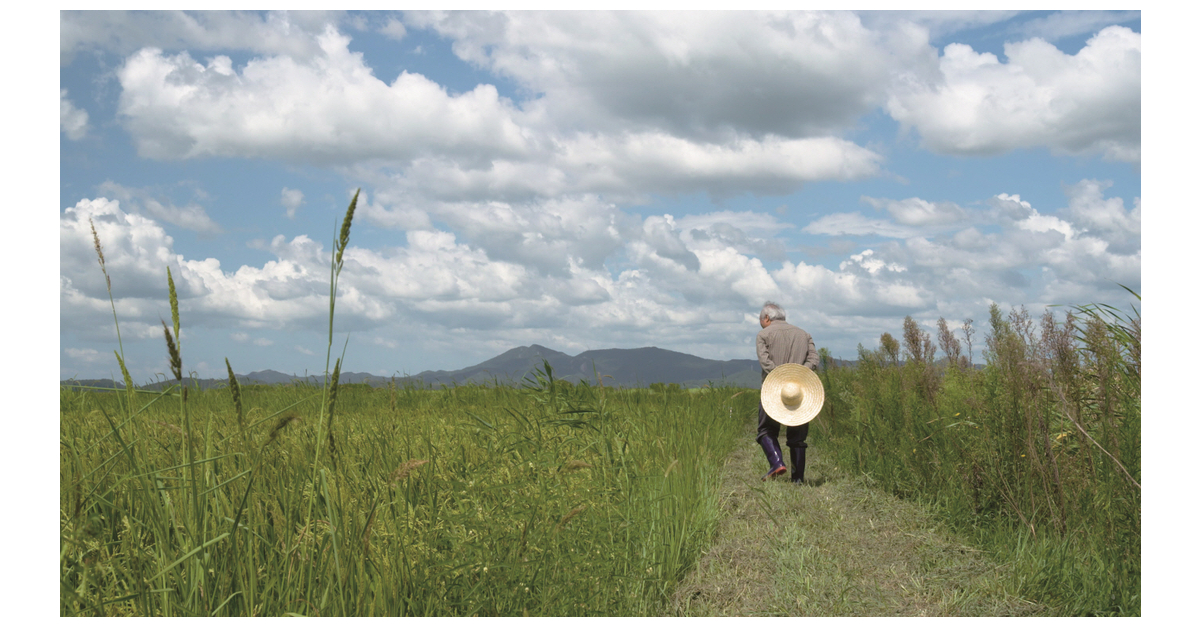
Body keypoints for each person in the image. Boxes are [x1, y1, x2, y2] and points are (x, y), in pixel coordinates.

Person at [755, 301, 818, 484]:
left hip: (772, 391)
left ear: (767, 318)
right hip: (798, 391)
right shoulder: (803, 334)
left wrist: (780, 377)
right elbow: (814, 358)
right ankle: (797, 479)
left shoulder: (763, 335)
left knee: (766, 430)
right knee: (798, 437)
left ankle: (776, 463)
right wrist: (798, 375)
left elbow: (765, 362)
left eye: (761, 319)